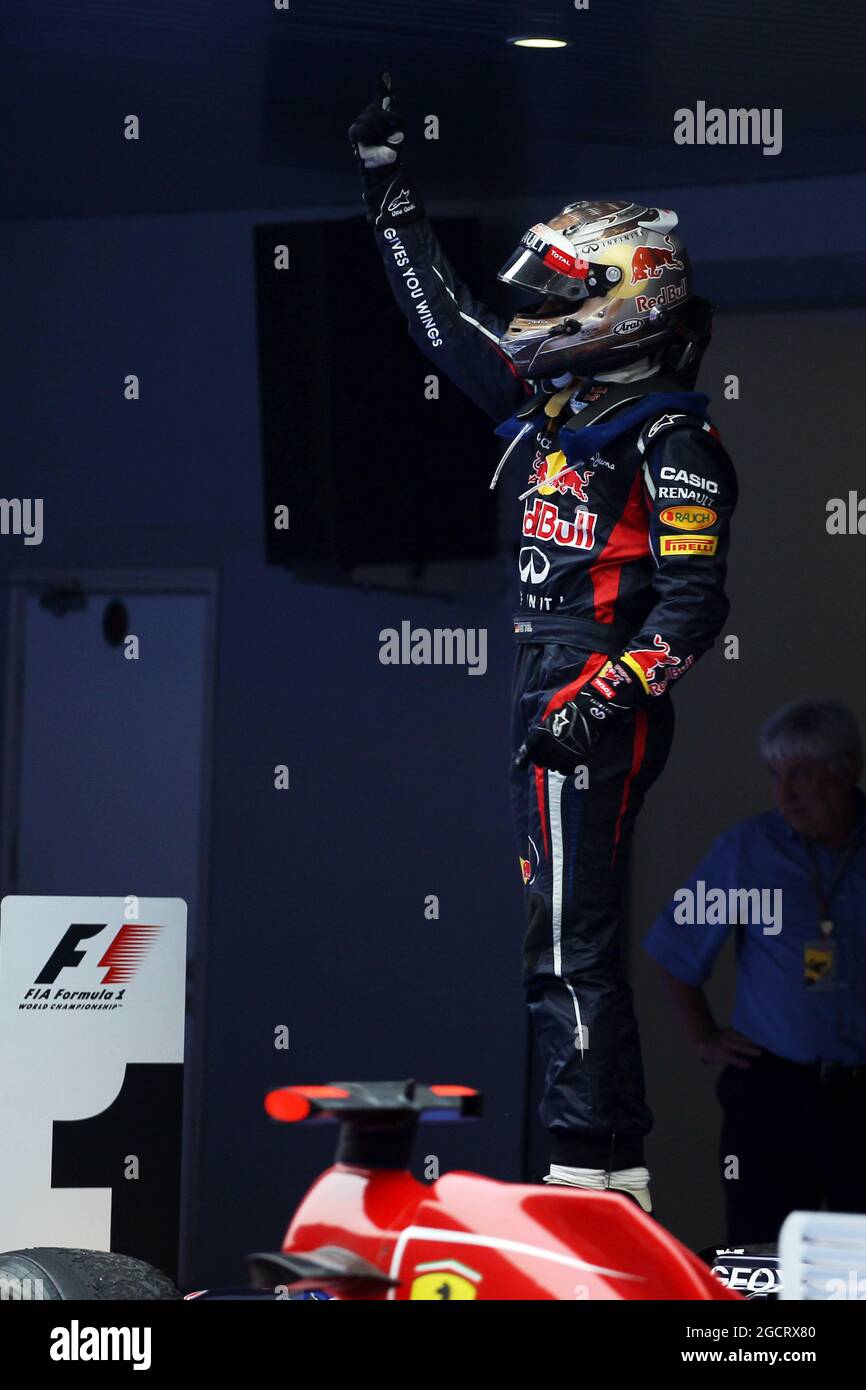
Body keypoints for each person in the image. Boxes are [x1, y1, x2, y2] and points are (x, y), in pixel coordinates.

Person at [349, 73, 737, 1211]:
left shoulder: (667, 435)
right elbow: (444, 325)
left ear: (627, 299)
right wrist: (388, 190)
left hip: (588, 694)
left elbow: (692, 606)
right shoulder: (549, 408)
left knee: (567, 943)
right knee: (555, 937)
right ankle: (600, 1164)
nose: (532, 310)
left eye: (561, 290)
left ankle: (593, 1173)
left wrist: (603, 695)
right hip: (542, 683)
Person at [644, 699, 866, 1241]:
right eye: (776, 776)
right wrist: (703, 1037)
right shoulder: (749, 851)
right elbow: (675, 948)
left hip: (862, 1098)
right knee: (762, 1254)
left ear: (847, 771)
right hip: (774, 1094)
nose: (784, 794)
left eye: (801, 776)